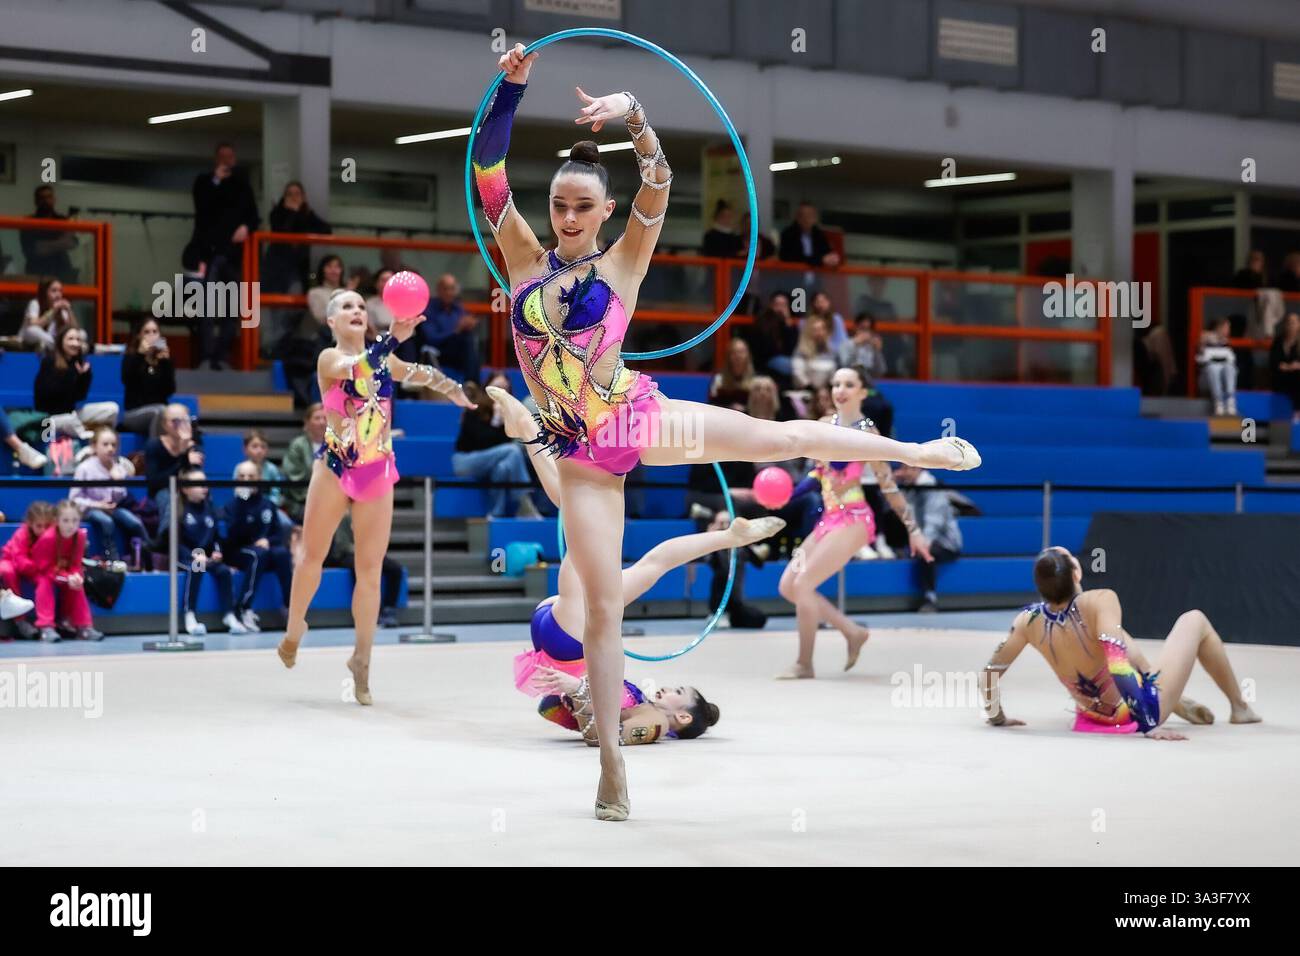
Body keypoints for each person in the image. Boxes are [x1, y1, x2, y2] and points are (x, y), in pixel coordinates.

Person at [472, 43, 979, 820]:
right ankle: (611, 762)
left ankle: (912, 451)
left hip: (634, 417)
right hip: (580, 454)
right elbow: (486, 170)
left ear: (602, 213)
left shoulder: (624, 263)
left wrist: (635, 115)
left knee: (776, 437)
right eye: (561, 204)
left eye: (583, 207)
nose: (568, 216)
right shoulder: (522, 260)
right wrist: (510, 90)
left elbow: (660, 181)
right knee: (604, 610)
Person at [496, 383, 778, 742]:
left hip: (567, 642)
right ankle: (527, 429)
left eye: (679, 692)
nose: (668, 690)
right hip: (567, 634)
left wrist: (576, 687)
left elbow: (602, 735)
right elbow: (661, 559)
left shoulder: (655, 724)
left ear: (682, 715)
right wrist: (728, 538)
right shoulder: (645, 706)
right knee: (650, 561)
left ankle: (528, 429)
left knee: (577, 510)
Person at [275, 288, 472, 704]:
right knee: (312, 556)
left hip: (377, 469)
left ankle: (362, 658)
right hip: (334, 466)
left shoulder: (387, 359)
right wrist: (393, 338)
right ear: (330, 321)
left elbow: (417, 372)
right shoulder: (330, 360)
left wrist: (451, 387)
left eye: (362, 306)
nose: (357, 311)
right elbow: (361, 366)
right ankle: (295, 629)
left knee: (370, 570)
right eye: (347, 306)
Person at [981, 547, 1262, 739]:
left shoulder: (1027, 620)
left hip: (1090, 715)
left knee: (1110, 634)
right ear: (1076, 574)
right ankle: (1240, 708)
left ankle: (1152, 677)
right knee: (1194, 619)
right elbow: (1117, 663)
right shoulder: (1101, 599)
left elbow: (988, 676)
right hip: (1137, 711)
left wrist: (997, 717)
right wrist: (1149, 725)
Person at [776, 366, 934, 679]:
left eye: (849, 384)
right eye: (835, 384)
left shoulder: (868, 433)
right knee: (788, 586)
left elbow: (888, 486)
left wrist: (913, 530)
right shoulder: (823, 424)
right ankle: (852, 632)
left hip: (855, 519)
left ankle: (804, 663)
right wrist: (790, 496)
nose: (840, 390)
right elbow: (818, 473)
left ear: (863, 392)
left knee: (804, 584)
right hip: (829, 518)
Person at [187, 142, 259, 370]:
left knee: (232, 308)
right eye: (223, 157)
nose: (227, 161)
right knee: (207, 307)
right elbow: (202, 210)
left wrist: (246, 228)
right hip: (209, 254)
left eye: (230, 157)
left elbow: (254, 216)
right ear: (216, 159)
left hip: (234, 257)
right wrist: (215, 181)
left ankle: (222, 356)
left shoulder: (242, 186)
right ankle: (207, 356)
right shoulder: (204, 182)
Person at [452, 378, 541, 518]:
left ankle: (496, 513)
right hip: (465, 461)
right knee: (513, 451)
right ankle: (523, 501)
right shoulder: (474, 408)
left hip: (494, 462)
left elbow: (503, 444)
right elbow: (478, 442)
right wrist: (494, 423)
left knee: (503, 467)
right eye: (497, 387)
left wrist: (502, 422)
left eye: (505, 389)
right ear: (487, 388)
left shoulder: (508, 416)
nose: (501, 393)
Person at [172, 466, 244, 637]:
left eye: (205, 483)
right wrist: (194, 554)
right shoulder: (179, 510)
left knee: (224, 571)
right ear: (185, 489)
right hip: (184, 555)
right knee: (197, 567)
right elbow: (175, 542)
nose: (204, 487)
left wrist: (217, 553)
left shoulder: (210, 508)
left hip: (206, 556)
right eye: (198, 484)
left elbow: (217, 537)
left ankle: (229, 615)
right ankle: (190, 615)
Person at [224, 460, 294, 633]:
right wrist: (242, 503)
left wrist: (268, 541)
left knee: (282, 554)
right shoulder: (232, 506)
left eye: (251, 476)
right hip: (240, 552)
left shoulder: (268, 504)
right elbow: (232, 536)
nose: (247, 480)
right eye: (242, 476)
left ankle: (290, 607)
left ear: (259, 478)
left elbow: (279, 533)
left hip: (264, 550)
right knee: (258, 555)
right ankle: (243, 609)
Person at [893, 462, 962, 613]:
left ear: (920, 469)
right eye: (903, 469)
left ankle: (929, 598)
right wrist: (893, 485)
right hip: (919, 537)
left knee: (927, 554)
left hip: (945, 543)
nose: (906, 473)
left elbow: (934, 521)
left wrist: (924, 543)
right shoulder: (908, 488)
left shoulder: (931, 487)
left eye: (911, 469)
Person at [72, 428, 147, 563]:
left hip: (112, 508)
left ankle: (144, 559)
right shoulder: (84, 468)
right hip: (90, 509)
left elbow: (122, 495)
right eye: (105, 444)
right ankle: (112, 560)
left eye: (113, 445)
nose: (110, 448)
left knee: (135, 523)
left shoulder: (118, 467)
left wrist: (118, 481)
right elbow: (74, 499)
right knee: (107, 522)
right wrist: (98, 505)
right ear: (94, 446)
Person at [32, 500, 102, 642]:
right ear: (57, 521)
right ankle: (46, 627)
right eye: (66, 521)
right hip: (39, 571)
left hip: (61, 572)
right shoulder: (48, 538)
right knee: (44, 585)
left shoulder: (80, 536)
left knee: (77, 585)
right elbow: (45, 568)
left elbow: (76, 564)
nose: (71, 525)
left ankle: (84, 627)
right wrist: (65, 577)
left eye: (75, 521)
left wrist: (76, 576)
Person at [34, 326, 118, 439]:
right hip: (49, 419)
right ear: (61, 342)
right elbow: (47, 395)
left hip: (72, 414)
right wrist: (70, 375)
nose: (75, 343)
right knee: (69, 420)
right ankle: (91, 436)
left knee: (112, 409)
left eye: (78, 340)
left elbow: (80, 396)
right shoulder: (49, 361)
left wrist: (84, 376)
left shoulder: (77, 364)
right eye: (70, 339)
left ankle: (90, 433)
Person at [326, 514, 403, 629]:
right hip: (346, 555)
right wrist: (363, 551)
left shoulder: (372, 515)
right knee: (360, 567)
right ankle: (366, 613)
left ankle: (389, 609)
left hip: (368, 553)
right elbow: (342, 545)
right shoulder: (345, 517)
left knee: (395, 569)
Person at [405, 273, 481, 386]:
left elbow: (464, 325)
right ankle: (472, 383)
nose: (449, 293)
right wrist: (456, 330)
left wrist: (469, 325)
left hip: (458, 352)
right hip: (439, 352)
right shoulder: (429, 309)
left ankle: (472, 384)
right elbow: (431, 338)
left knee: (470, 338)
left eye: (452, 289)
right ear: (439, 290)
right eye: (446, 289)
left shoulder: (458, 308)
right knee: (468, 341)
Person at [0, 502, 55, 639]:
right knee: (7, 571)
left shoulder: (52, 536)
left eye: (46, 526)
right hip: (13, 562)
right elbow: (20, 561)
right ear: (30, 523)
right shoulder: (22, 534)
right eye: (39, 526)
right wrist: (38, 567)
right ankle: (20, 621)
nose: (43, 530)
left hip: (38, 569)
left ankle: (46, 624)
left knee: (45, 581)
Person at [143, 403, 203, 517]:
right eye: (176, 421)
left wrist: (185, 449)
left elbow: (192, 478)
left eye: (185, 420)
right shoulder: (154, 445)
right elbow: (154, 481)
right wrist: (184, 457)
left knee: (201, 496)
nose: (181, 425)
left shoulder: (195, 446)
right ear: (165, 424)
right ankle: (166, 535)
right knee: (170, 500)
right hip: (161, 491)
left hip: (188, 490)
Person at [120, 318, 176, 437]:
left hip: (160, 410)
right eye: (147, 332)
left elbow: (169, 390)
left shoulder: (164, 362)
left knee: (177, 415)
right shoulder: (132, 357)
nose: (151, 336)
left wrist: (166, 363)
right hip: (134, 413)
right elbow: (127, 380)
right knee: (160, 412)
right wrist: (140, 355)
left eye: (155, 332)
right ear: (139, 336)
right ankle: (155, 453)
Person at [20, 185, 79, 282]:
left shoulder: (63, 220)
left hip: (62, 270)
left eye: (49, 197)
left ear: (54, 199)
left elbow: (73, 243)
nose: (46, 201)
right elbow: (32, 250)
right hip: (37, 271)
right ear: (36, 201)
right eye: (42, 198)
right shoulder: (28, 222)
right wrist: (61, 243)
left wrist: (45, 245)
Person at [281, 403, 326, 522]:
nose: (322, 422)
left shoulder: (336, 445)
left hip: (331, 499)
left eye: (325, 418)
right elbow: (294, 476)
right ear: (307, 422)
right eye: (317, 418)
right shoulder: (298, 446)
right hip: (301, 502)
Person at [778, 201, 840, 269]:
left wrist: (832, 257)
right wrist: (820, 260)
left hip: (816, 273)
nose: (806, 219)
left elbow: (826, 252)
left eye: (810, 215)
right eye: (802, 215)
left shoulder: (819, 234)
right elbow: (789, 257)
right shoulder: (788, 234)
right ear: (797, 218)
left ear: (815, 218)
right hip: (793, 273)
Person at [1197, 316, 1238, 416]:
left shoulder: (1226, 342)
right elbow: (1201, 356)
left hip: (1223, 376)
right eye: (1225, 327)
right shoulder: (1206, 337)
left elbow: (1231, 359)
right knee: (1213, 368)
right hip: (1207, 377)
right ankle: (1218, 402)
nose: (1228, 330)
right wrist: (1205, 341)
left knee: (1230, 368)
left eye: (1229, 328)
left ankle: (1230, 400)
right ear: (1218, 328)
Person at [708, 337, 755, 410]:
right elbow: (712, 405)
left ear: (748, 355)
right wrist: (730, 408)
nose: (738, 356)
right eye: (734, 352)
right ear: (728, 356)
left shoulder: (756, 381)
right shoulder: (719, 380)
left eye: (741, 352)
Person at [1269, 312, 1300, 423]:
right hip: (1281, 377)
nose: (1291, 325)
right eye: (1288, 322)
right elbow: (1274, 362)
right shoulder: (1278, 342)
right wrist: (1286, 367)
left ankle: (1297, 412)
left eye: (1293, 323)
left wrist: (1296, 366)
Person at [792, 315, 837, 390]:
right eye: (816, 330)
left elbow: (833, 374)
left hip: (825, 394)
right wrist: (811, 388)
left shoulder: (830, 351)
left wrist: (829, 388)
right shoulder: (801, 351)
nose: (820, 333)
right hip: (806, 391)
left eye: (822, 329)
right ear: (809, 332)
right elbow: (798, 373)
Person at [837, 312, 887, 379]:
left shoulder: (872, 347)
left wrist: (877, 352)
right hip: (850, 380)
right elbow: (845, 366)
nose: (866, 332)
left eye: (868, 329)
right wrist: (856, 346)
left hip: (869, 382)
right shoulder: (846, 344)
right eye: (863, 328)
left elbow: (881, 371)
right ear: (855, 328)